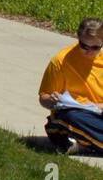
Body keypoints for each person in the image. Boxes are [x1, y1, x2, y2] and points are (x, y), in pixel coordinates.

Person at [40, 17, 103, 154]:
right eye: (84, 46)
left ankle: (85, 144)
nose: (89, 51)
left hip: (98, 115)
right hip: (75, 114)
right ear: (78, 38)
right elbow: (43, 98)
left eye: (95, 47)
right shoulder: (61, 61)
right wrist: (51, 100)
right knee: (71, 117)